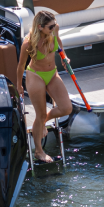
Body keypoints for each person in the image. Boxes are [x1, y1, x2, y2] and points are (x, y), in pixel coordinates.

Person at [17, 10, 73, 164]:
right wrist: (19, 86)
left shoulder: (54, 30)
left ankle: (42, 123)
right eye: (50, 26)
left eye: (54, 25)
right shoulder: (29, 43)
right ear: (40, 27)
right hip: (36, 75)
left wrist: (64, 56)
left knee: (66, 108)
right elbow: (21, 66)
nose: (54, 28)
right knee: (39, 113)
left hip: (52, 74)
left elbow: (59, 42)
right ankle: (39, 152)